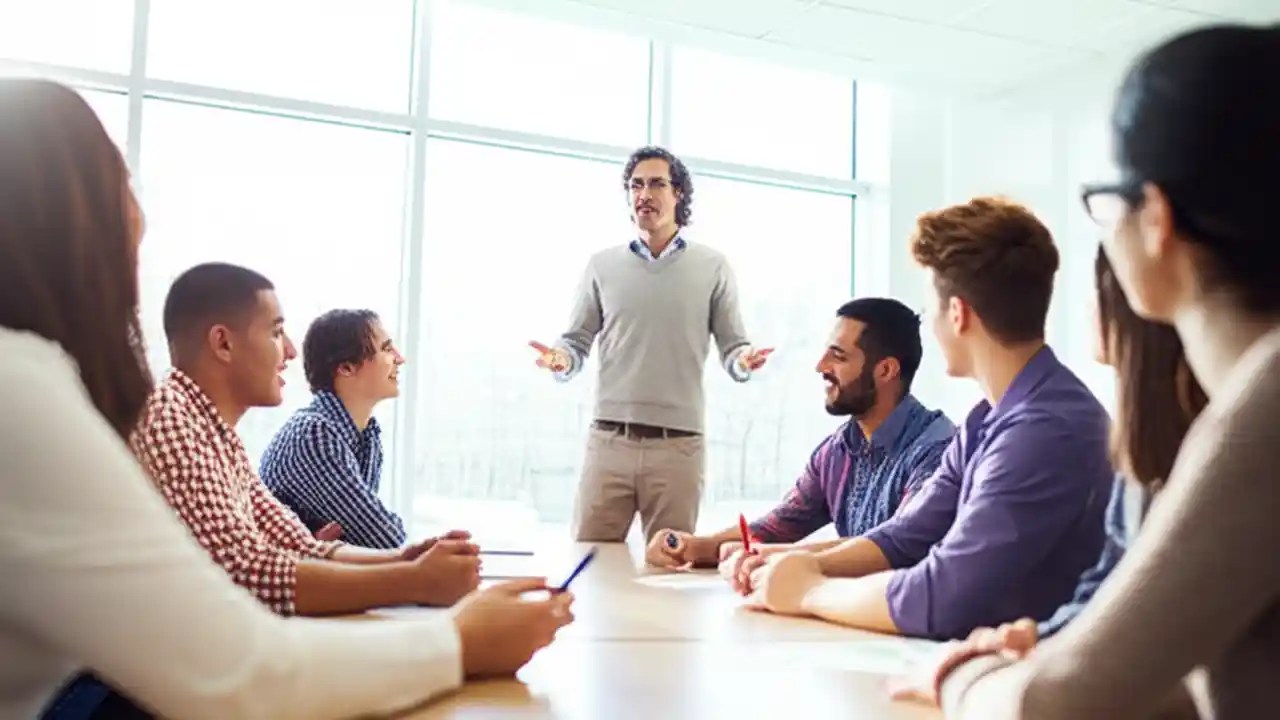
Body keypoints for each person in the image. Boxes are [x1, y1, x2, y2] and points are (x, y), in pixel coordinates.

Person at [0, 78, 573, 720]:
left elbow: (290, 541)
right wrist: (455, 635)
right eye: (121, 183)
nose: (140, 216)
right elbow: (246, 624)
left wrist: (406, 566)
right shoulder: (30, 393)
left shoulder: (197, 423)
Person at [912, 23, 1280, 720]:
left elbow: (1053, 708)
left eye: (1106, 202)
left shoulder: (1266, 412)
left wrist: (965, 677)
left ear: (1157, 219)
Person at [731, 197, 1113, 640]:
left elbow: (940, 596)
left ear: (958, 314)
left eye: (932, 308)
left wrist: (808, 592)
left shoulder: (1044, 430)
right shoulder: (985, 421)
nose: (931, 325)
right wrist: (800, 563)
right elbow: (905, 536)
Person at [888, 246, 1208, 706]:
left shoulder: (1054, 425)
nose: (1085, 307)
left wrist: (961, 675)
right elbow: (1108, 591)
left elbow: (947, 590)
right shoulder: (1140, 440)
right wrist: (1039, 638)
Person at [133, 263, 481, 616]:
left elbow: (299, 546)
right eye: (276, 332)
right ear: (224, 343)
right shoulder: (170, 417)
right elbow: (248, 574)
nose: (290, 351)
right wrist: (414, 580)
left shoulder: (215, 432)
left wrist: (405, 559)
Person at [529, 146, 772, 542]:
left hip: (678, 449)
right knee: (590, 562)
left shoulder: (713, 267)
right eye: (635, 185)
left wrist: (745, 361)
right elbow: (575, 342)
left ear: (679, 194)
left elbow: (733, 348)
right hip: (608, 443)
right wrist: (561, 360)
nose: (645, 193)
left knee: (671, 569)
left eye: (657, 183)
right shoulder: (601, 266)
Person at [645, 298, 954, 569]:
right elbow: (777, 527)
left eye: (839, 356)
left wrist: (776, 558)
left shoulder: (938, 451)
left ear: (885, 371)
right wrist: (692, 546)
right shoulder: (836, 452)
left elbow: (896, 546)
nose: (821, 366)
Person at [260, 309, 410, 549]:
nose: (400, 358)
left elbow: (366, 541)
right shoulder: (313, 433)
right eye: (386, 349)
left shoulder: (368, 436)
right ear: (346, 368)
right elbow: (383, 538)